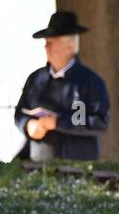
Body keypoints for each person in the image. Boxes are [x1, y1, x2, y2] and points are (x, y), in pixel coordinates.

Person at [13, 11, 109, 162]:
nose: (46, 48)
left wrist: (57, 122)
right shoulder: (35, 79)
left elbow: (100, 121)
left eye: (52, 42)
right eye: (46, 43)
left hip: (78, 169)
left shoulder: (90, 82)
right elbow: (20, 113)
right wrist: (28, 125)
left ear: (70, 45)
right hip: (39, 168)